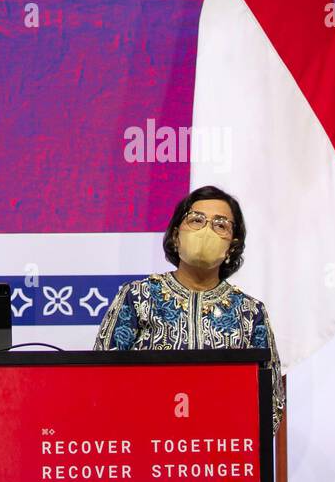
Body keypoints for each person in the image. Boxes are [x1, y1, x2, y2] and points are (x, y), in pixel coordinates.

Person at [93, 185, 285, 431]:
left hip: (222, 453)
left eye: (220, 225)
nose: (207, 231)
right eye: (196, 220)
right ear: (175, 235)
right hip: (145, 446)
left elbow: (271, 405)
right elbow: (101, 381)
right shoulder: (138, 297)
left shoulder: (250, 312)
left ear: (232, 246)